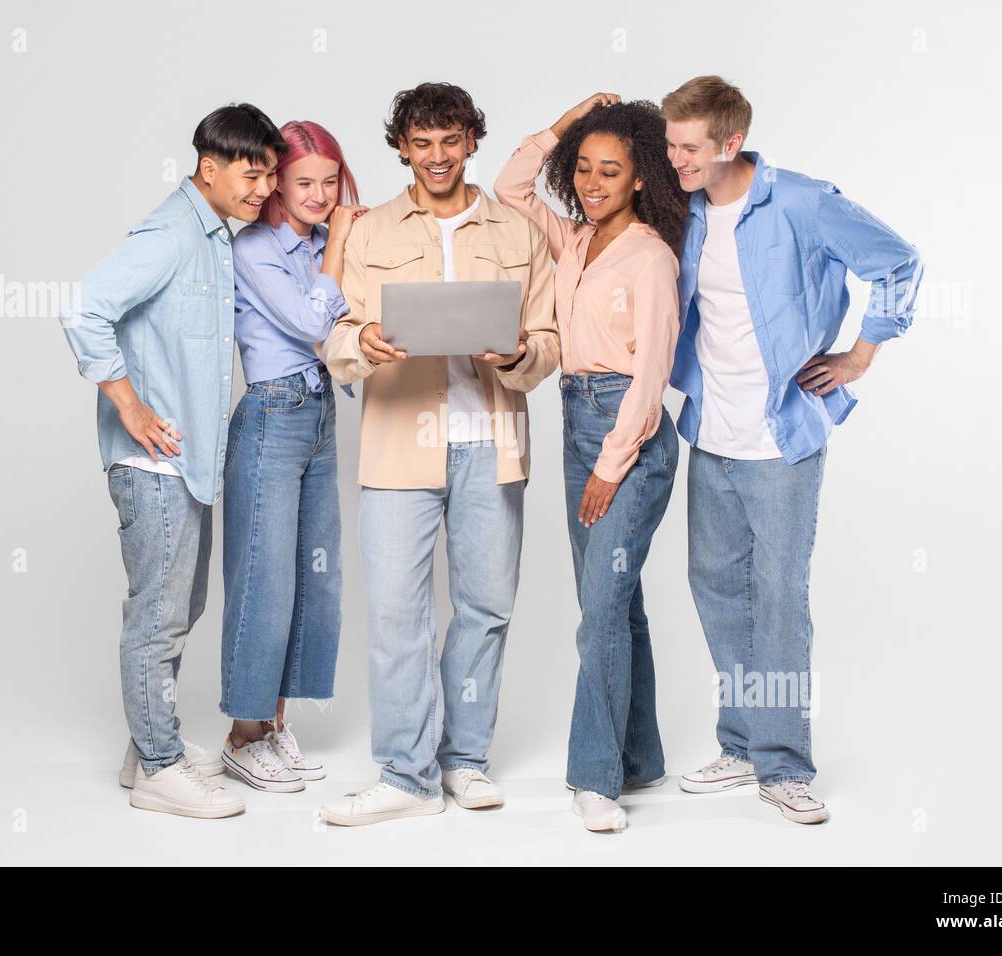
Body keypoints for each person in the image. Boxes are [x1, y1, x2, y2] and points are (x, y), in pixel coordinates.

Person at [664, 76, 923, 824]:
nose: (674, 159)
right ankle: (743, 742)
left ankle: (783, 763)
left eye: (687, 147)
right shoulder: (682, 211)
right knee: (715, 590)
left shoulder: (801, 202)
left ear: (729, 143)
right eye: (670, 143)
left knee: (778, 599)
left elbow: (898, 263)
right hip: (709, 434)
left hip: (781, 436)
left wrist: (859, 356)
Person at [317, 82, 559, 826]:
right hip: (397, 449)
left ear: (471, 142)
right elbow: (332, 339)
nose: (437, 157)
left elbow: (549, 340)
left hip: (493, 445)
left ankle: (465, 761)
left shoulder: (518, 232)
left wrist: (519, 352)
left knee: (485, 608)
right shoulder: (370, 232)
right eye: (421, 144)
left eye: (450, 141)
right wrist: (362, 343)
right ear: (401, 148)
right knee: (396, 615)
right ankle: (406, 774)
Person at [60, 103, 288, 819]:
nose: (262, 190)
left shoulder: (212, 236)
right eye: (252, 175)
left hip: (183, 464)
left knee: (177, 607)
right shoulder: (170, 233)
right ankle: (161, 766)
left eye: (270, 176)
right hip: (151, 466)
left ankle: (144, 747)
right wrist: (129, 406)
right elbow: (85, 307)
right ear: (209, 168)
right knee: (158, 617)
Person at [495, 93, 686, 832]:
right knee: (614, 601)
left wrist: (612, 463)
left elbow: (651, 376)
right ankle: (639, 758)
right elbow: (512, 186)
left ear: (641, 178)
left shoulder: (651, 257)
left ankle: (596, 778)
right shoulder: (571, 239)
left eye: (611, 170)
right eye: (582, 167)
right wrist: (566, 120)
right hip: (575, 416)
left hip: (627, 439)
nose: (592, 181)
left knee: (601, 608)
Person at [218, 121, 368, 794]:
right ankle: (241, 735)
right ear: (277, 181)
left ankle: (274, 726)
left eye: (329, 182)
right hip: (272, 417)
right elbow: (315, 325)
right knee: (266, 579)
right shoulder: (255, 247)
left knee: (317, 580)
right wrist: (339, 242)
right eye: (303, 181)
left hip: (317, 414)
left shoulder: (316, 249)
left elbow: (347, 328)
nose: (317, 194)